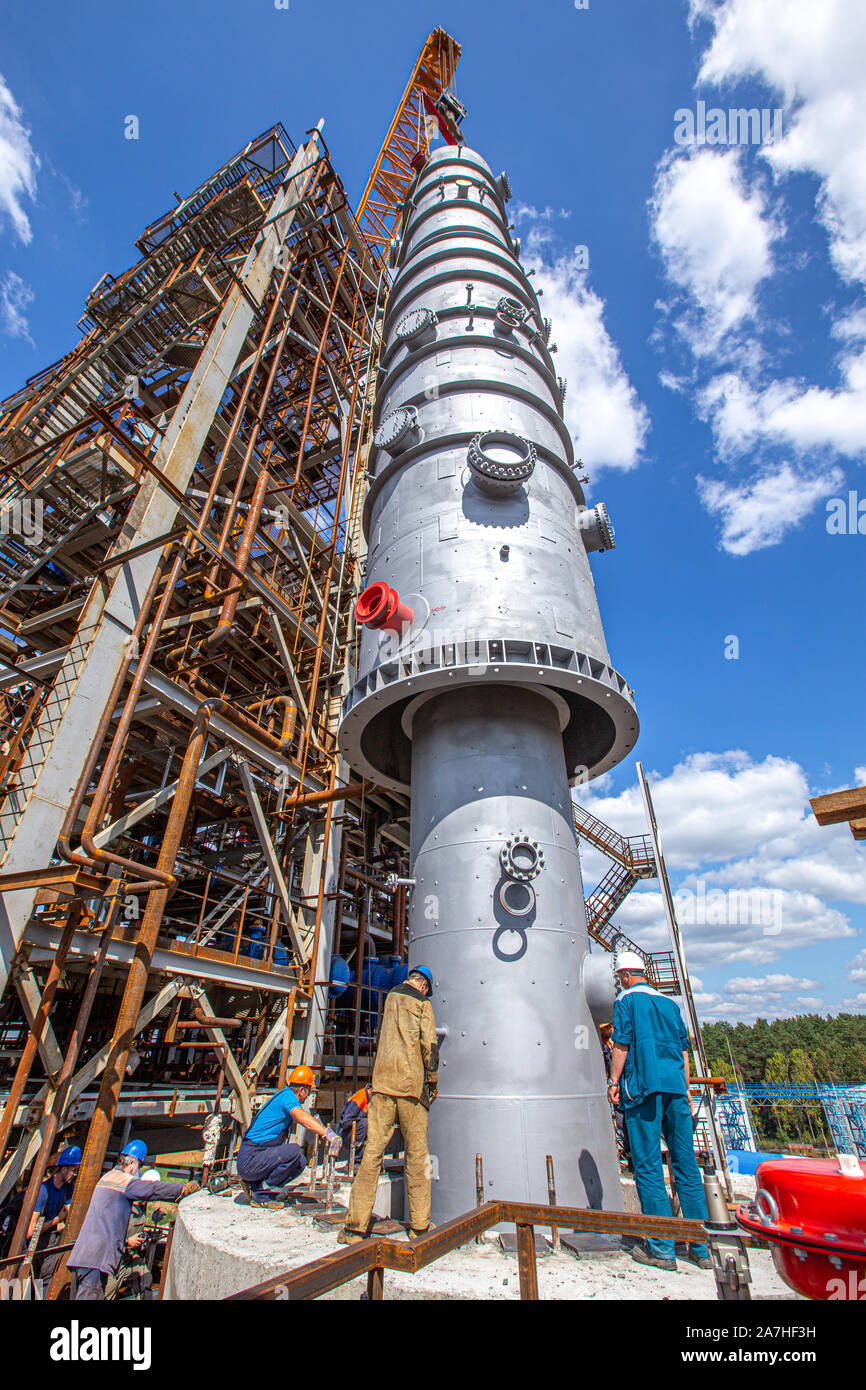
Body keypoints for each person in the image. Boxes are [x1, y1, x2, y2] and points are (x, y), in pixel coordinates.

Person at [607, 952, 710, 1272]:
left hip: (643, 1089)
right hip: (677, 1091)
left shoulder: (626, 1001)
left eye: (618, 977)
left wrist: (613, 1081)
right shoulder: (669, 1004)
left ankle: (662, 1248)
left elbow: (621, 1044)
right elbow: (683, 1050)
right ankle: (701, 1247)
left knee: (649, 1166)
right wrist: (687, 1088)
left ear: (624, 976)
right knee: (686, 1165)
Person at [337, 966, 438, 1245]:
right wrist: (432, 1081)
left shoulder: (391, 997)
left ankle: (355, 1227)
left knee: (372, 1154)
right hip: (410, 1088)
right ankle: (419, 1226)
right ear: (425, 986)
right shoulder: (422, 1003)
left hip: (381, 1086)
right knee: (417, 1156)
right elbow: (429, 1045)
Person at [67, 1140, 197, 1300]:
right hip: (96, 1259)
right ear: (131, 1163)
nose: (138, 1170)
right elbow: (152, 1189)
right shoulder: (123, 1181)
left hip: (82, 1257)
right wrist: (181, 1189)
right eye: (139, 1166)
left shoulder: (106, 1178)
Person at [236, 1064, 341, 1208]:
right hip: (249, 1159)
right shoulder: (288, 1097)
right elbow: (301, 1117)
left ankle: (257, 1186)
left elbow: (308, 1119)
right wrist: (328, 1135)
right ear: (302, 1090)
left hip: (254, 1157)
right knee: (294, 1151)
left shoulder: (284, 1096)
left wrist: (320, 1127)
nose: (308, 1095)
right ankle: (261, 1196)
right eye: (309, 1092)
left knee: (300, 1161)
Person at [104, 1167, 164, 1301]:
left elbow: (138, 1235)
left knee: (146, 1277)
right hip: (114, 1261)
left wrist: (146, 1238)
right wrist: (127, 1241)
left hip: (130, 1259)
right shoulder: (123, 1206)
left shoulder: (141, 1212)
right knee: (107, 1294)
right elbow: (109, 1234)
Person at [27, 1144, 80, 1277]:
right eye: (73, 1170)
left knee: (45, 1280)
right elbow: (31, 1231)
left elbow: (68, 1211)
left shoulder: (68, 1188)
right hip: (35, 1246)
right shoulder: (43, 1191)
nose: (75, 1174)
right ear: (63, 1169)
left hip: (51, 1243)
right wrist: (57, 1220)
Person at [337, 1083, 372, 1162]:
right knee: (365, 1123)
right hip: (345, 1134)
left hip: (354, 1132)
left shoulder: (368, 1098)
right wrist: (364, 1112)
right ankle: (356, 1160)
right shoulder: (359, 1098)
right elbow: (346, 1123)